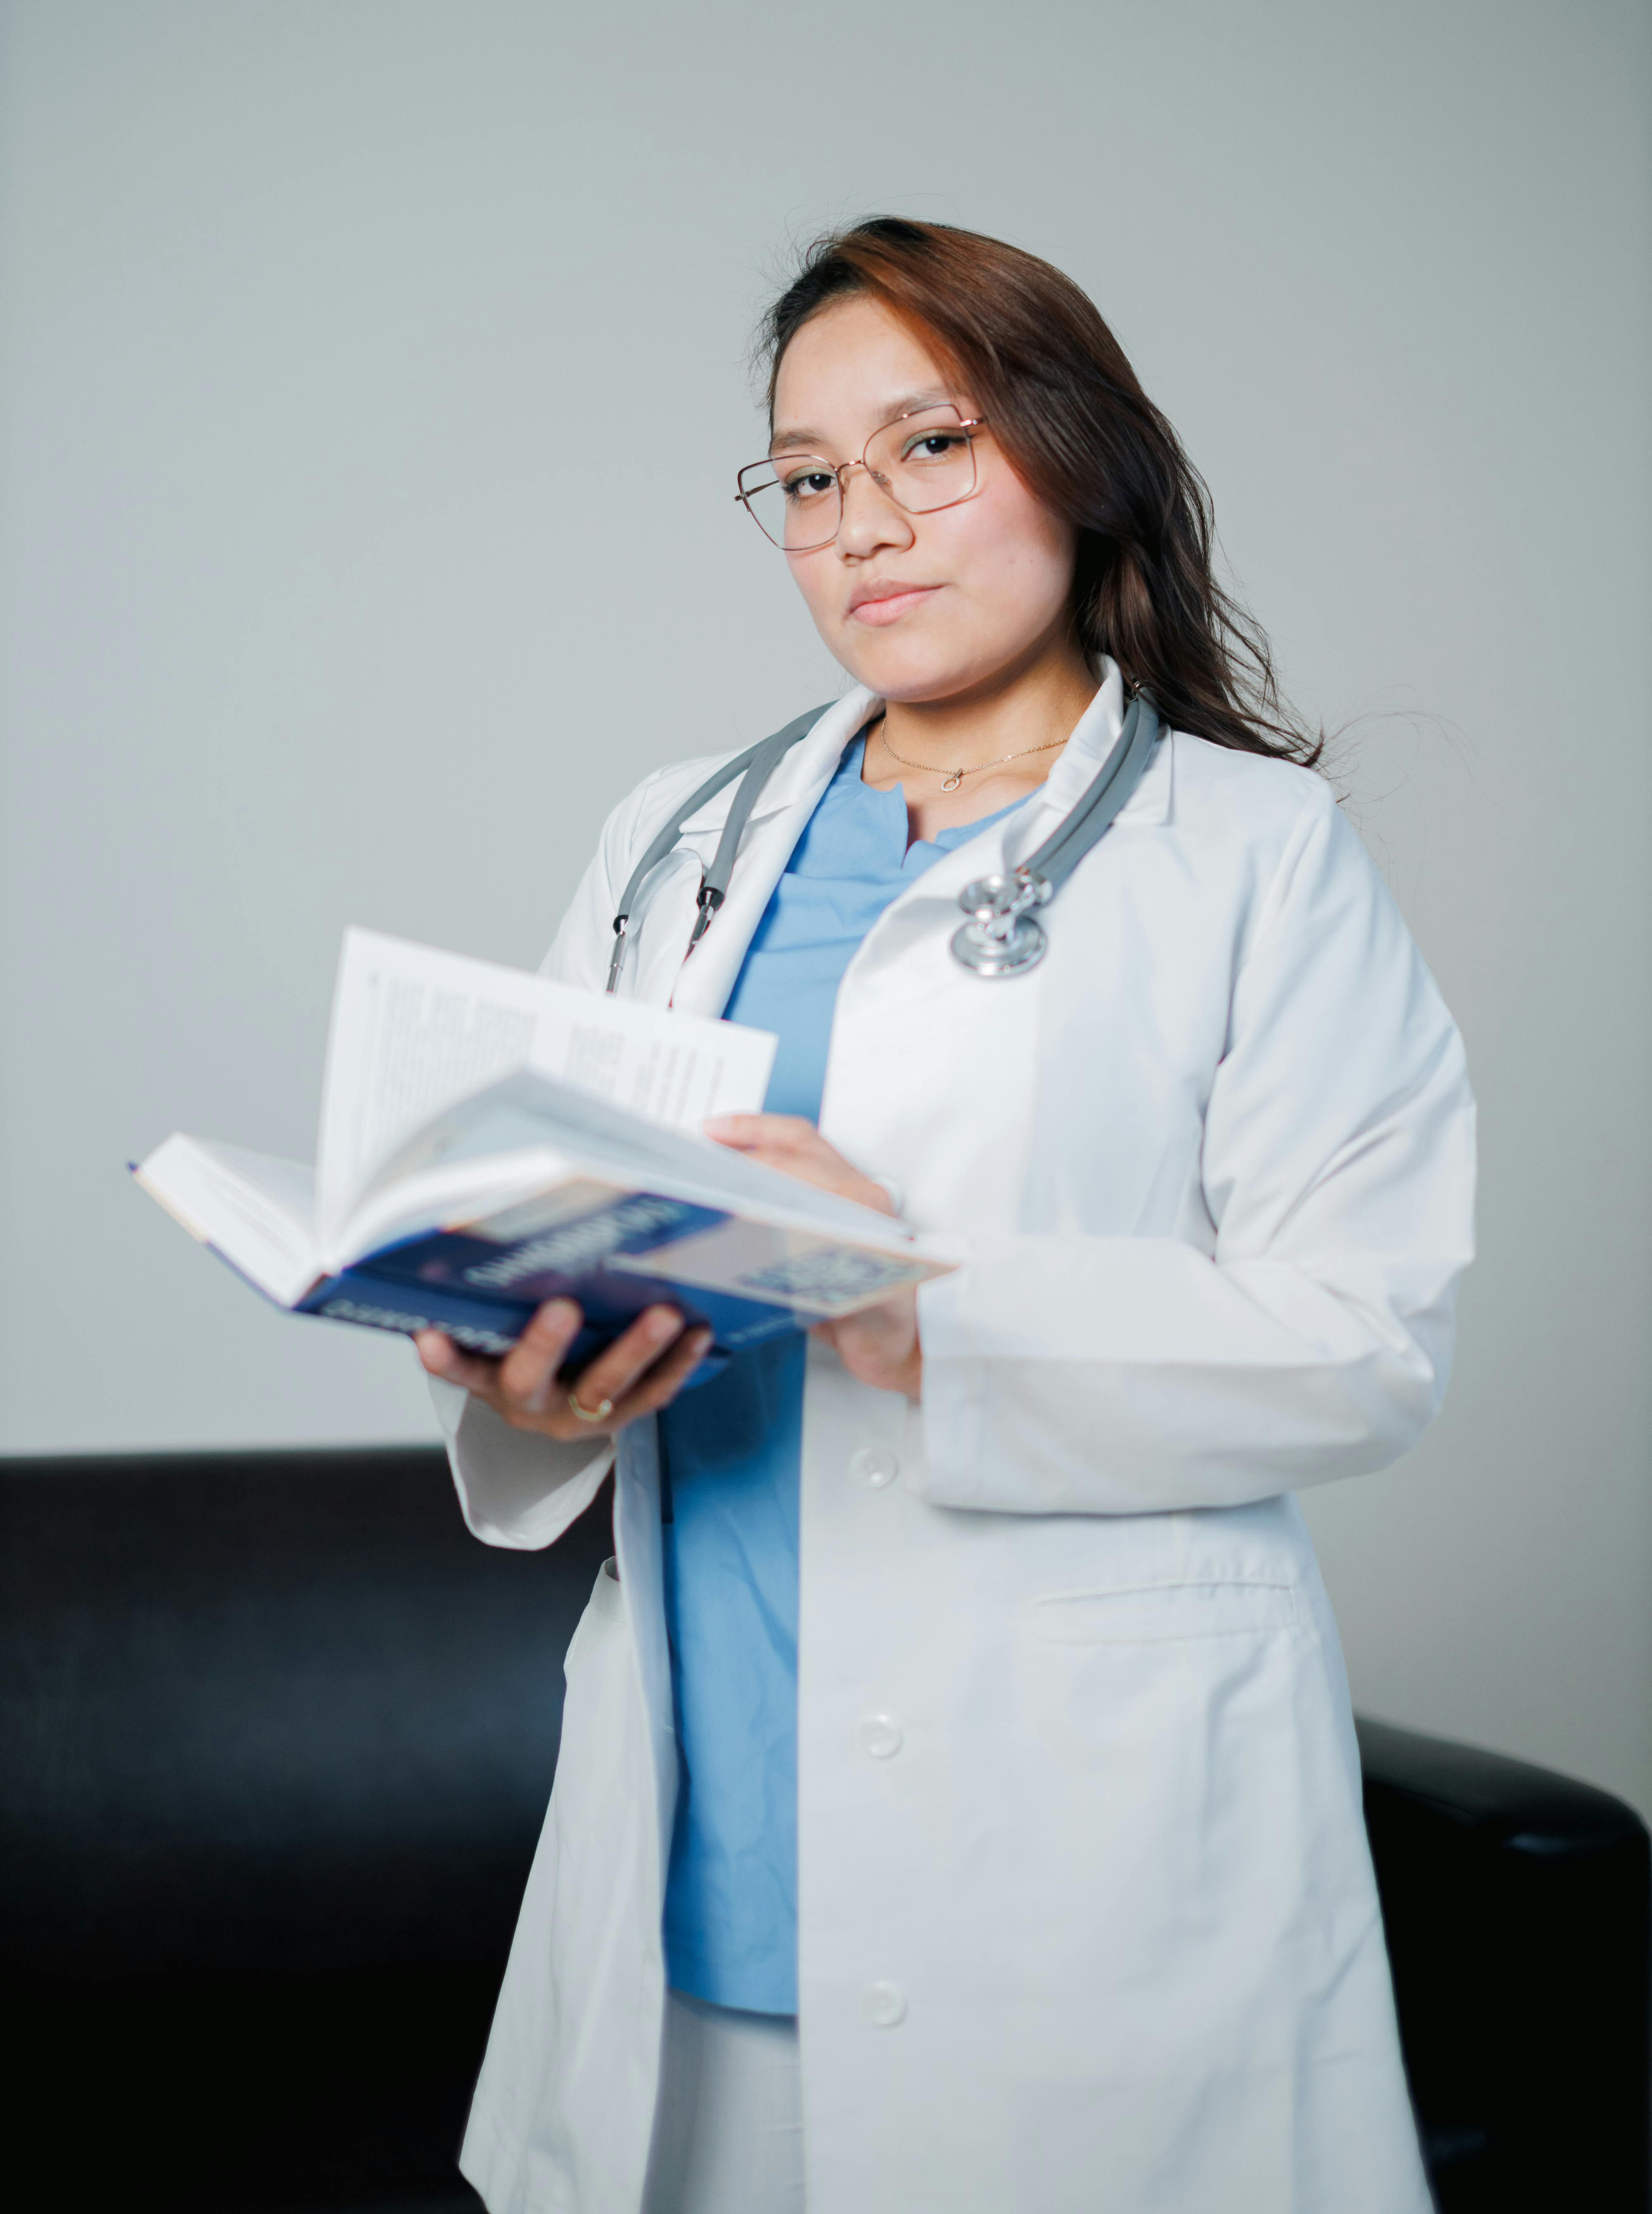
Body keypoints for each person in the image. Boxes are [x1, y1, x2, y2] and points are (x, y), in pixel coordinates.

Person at [414, 216, 1474, 2214]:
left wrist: (920, 1305)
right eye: (808, 479)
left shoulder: (1249, 854)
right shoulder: (677, 841)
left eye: (930, 447)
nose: (860, 526)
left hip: (1070, 1833)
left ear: (1076, 462)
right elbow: (572, 1228)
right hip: (697, 1816)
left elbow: (1367, 1338)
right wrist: (531, 1375)